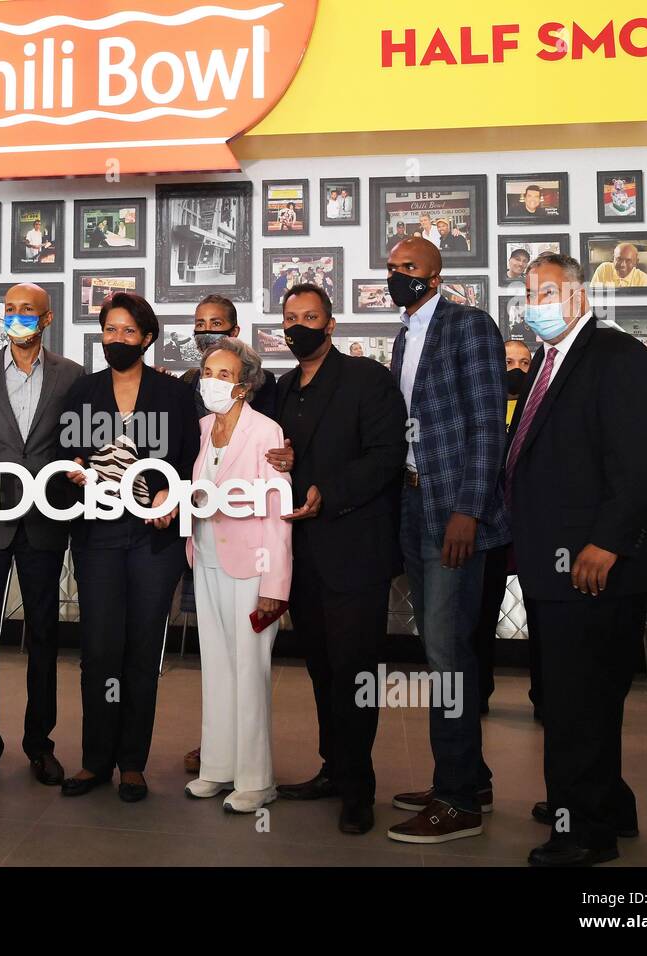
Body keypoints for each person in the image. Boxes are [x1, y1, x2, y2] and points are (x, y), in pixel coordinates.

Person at [505, 252, 647, 866]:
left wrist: (605, 542)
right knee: (581, 698)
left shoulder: (616, 356)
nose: (535, 302)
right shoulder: (552, 360)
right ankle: (605, 803)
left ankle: (582, 833)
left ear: (579, 294)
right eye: (527, 290)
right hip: (554, 564)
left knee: (578, 706)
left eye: (547, 290)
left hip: (594, 563)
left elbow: (638, 460)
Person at [385, 238, 510, 844]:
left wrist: (469, 509)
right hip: (412, 502)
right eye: (391, 268)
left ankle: (458, 801)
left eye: (407, 268)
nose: (397, 276)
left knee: (446, 653)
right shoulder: (405, 334)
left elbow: (489, 424)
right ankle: (468, 776)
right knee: (437, 645)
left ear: (435, 275)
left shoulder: (469, 326)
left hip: (453, 510)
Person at [273, 283, 407, 835]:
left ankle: (359, 787)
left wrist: (327, 489)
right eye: (290, 317)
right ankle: (334, 768)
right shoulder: (279, 389)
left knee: (355, 673)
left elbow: (386, 457)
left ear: (331, 324)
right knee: (321, 670)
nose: (299, 325)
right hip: (298, 556)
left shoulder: (367, 380)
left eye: (310, 316)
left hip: (354, 553)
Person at [59, 292, 199, 802]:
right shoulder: (81, 391)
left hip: (153, 538)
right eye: (110, 329)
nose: (117, 339)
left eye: (128, 331)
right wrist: (74, 471)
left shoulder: (174, 394)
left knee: (142, 650)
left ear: (147, 337)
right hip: (97, 534)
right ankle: (95, 760)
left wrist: (170, 490)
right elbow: (63, 452)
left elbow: (190, 458)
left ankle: (132, 763)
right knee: (98, 651)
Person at [0, 283, 84, 788]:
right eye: (9, 310)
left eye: (27, 311)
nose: (17, 318)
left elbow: (75, 444)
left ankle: (39, 744)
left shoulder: (72, 376)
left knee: (45, 636)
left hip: (45, 523)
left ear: (46, 319)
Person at [182, 338, 292, 813]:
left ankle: (256, 779)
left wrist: (275, 586)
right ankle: (218, 768)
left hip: (254, 567)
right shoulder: (205, 427)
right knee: (218, 668)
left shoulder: (267, 432)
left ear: (244, 386)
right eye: (209, 370)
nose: (213, 380)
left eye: (224, 375)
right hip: (205, 558)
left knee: (250, 670)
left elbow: (277, 512)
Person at [470, 338, 535, 716]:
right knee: (480, 614)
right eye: (508, 361)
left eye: (524, 363)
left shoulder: (540, 406)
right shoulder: (483, 407)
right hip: (490, 526)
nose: (516, 369)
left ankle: (546, 697)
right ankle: (478, 694)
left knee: (543, 617)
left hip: (533, 530)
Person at [178, 294, 278, 419]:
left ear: (234, 332)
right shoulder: (188, 380)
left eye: (216, 323)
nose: (207, 331)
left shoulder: (262, 381)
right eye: (200, 325)